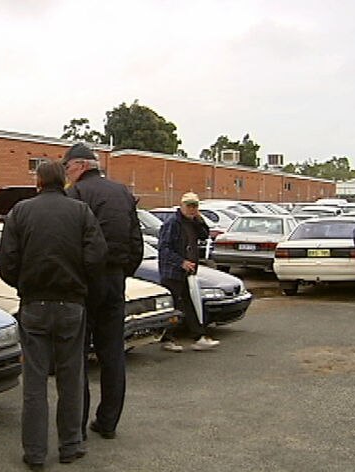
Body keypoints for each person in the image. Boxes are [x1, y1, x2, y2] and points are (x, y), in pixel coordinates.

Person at [0, 160, 107, 470]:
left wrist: (24, 284)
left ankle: (35, 453)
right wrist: (80, 283)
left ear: (39, 182)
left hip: (34, 304)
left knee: (34, 383)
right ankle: (70, 445)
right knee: (71, 378)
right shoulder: (81, 212)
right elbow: (97, 256)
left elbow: (6, 261)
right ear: (64, 182)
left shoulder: (20, 212)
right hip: (71, 303)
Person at [61, 143, 143, 440]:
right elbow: (136, 241)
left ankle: (77, 425)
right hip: (115, 279)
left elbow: (70, 243)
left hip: (85, 283)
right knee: (113, 353)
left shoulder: (76, 194)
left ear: (81, 165)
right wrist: (122, 271)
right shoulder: (122, 192)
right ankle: (108, 421)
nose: (66, 173)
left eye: (67, 167)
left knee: (77, 356)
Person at [157, 192, 220, 352]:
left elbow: (204, 235)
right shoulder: (172, 223)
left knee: (189, 304)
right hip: (172, 272)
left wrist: (200, 219)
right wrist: (181, 262)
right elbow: (164, 248)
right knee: (173, 305)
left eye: (195, 206)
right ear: (182, 206)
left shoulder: (193, 222)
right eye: (189, 206)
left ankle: (198, 336)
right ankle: (167, 338)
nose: (192, 209)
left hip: (187, 272)